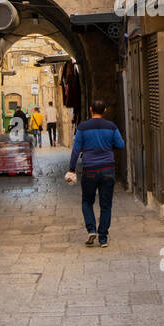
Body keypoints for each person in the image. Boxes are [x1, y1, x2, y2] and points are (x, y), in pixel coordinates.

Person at [65, 99, 124, 247]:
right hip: (108, 170)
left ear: (90, 109)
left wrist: (72, 168)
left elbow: (76, 149)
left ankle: (91, 229)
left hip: (90, 169)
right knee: (106, 205)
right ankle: (103, 237)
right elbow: (121, 144)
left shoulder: (83, 127)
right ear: (105, 110)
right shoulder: (111, 127)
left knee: (87, 201)